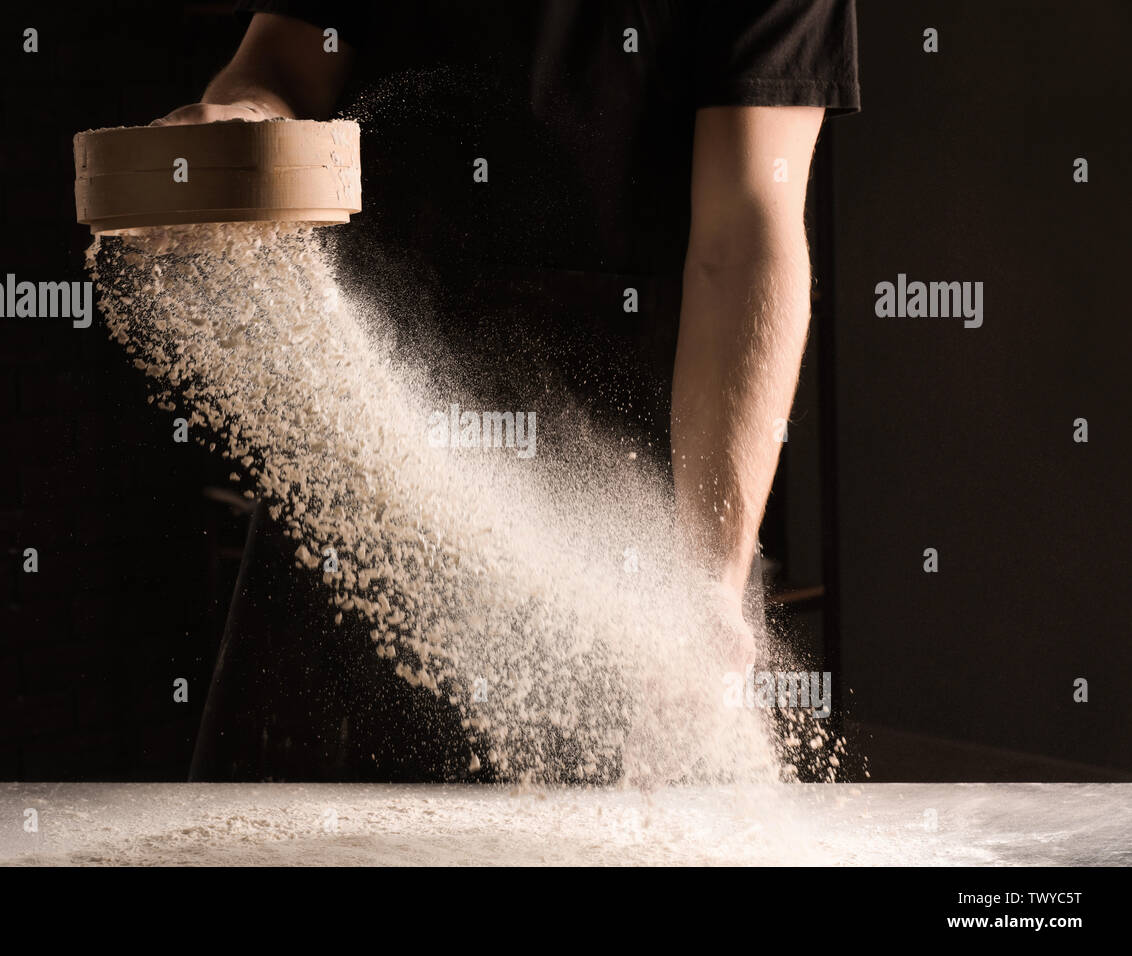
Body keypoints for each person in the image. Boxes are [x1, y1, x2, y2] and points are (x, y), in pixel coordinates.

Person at [168, 1, 860, 781]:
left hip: (607, 473)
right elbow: (283, 67)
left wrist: (705, 585)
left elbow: (743, 234)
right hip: (360, 426)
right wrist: (239, 120)